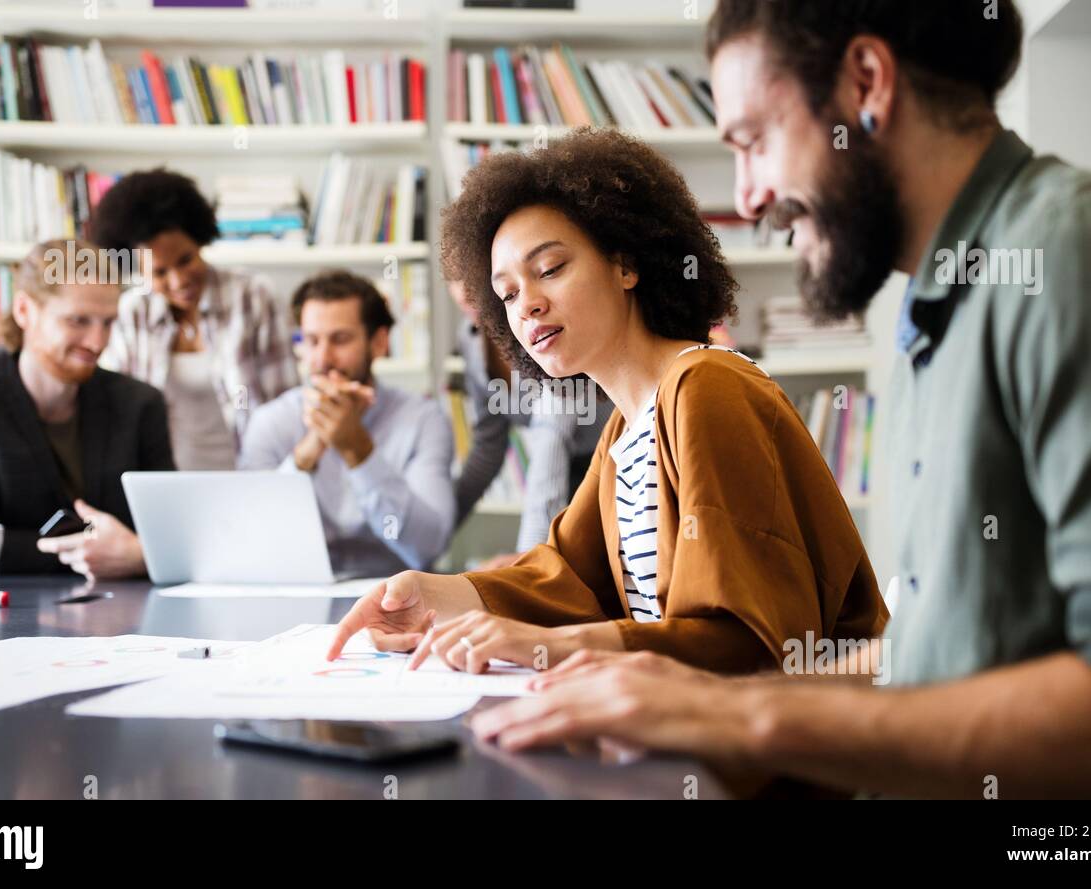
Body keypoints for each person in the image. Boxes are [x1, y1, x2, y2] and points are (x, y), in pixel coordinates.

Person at [470, 0, 1091, 799]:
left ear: (867, 85)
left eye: (753, 141)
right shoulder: (936, 317)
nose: (747, 198)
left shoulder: (1079, 253)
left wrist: (752, 722)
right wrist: (707, 700)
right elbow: (932, 654)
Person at [328, 128, 887, 674]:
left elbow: (745, 641)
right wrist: (426, 594)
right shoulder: (624, 429)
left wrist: (549, 645)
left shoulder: (706, 387)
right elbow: (564, 576)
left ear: (625, 264)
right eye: (508, 294)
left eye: (550, 269)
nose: (527, 307)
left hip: (800, 743)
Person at [0, 239, 173, 579]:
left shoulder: (140, 404)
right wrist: (114, 551)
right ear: (24, 311)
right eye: (78, 321)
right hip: (2, 607)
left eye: (108, 322)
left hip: (123, 610)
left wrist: (140, 553)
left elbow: (171, 533)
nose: (97, 342)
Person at [238, 270, 455, 579]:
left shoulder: (422, 420)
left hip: (395, 597)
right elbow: (250, 541)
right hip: (296, 591)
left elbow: (427, 547)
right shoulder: (271, 421)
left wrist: (359, 450)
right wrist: (307, 454)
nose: (322, 359)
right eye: (311, 341)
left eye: (340, 339)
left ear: (379, 343)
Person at [92, 169, 296, 470]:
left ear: (200, 240)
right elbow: (118, 411)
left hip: (251, 475)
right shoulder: (132, 314)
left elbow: (285, 405)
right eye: (160, 272)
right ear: (137, 271)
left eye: (186, 259)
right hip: (166, 480)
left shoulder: (254, 297)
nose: (179, 280)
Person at [449, 279, 613, 565]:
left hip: (604, 470)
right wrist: (436, 525)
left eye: (470, 278)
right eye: (453, 281)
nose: (463, 293)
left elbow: (552, 434)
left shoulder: (544, 324)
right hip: (556, 473)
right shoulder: (471, 338)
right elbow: (489, 443)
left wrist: (529, 559)